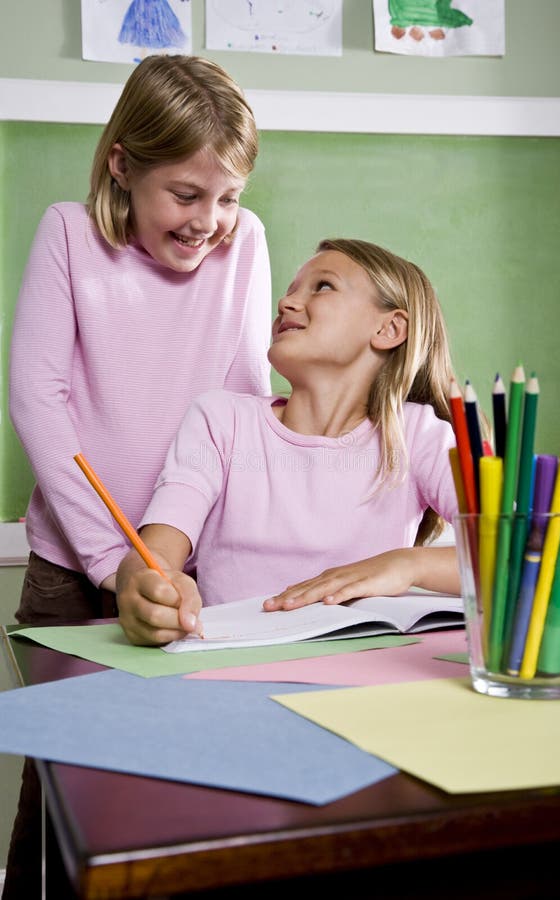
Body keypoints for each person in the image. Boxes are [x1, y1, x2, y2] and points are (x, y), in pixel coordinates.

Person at [6, 54, 272, 899]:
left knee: (180, 788)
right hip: (70, 573)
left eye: (226, 197)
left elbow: (245, 401)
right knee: (62, 795)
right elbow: (36, 396)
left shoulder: (249, 243)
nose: (210, 222)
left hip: (188, 577)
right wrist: (108, 558)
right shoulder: (68, 233)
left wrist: (174, 553)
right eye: (186, 197)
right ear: (122, 164)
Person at [116, 238, 462, 647]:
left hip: (361, 673)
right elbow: (153, 554)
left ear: (388, 328)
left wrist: (408, 565)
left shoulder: (418, 435)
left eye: (322, 286)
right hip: (227, 664)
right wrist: (143, 587)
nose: (286, 303)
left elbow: (519, 557)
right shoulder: (220, 420)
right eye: (290, 290)